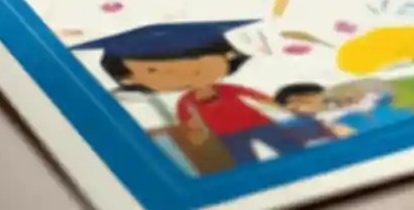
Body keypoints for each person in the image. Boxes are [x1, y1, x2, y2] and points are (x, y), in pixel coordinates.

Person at [74, 19, 303, 167]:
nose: (178, 74)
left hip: (256, 122)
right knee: (245, 161)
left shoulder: (225, 88)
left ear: (228, 57)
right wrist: (195, 133)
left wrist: (278, 104)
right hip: (227, 134)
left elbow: (254, 94)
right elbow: (188, 119)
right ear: (129, 78)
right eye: (153, 70)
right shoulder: (186, 101)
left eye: (198, 63)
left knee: (289, 147)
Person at [276, 79, 413, 137]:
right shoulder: (327, 122)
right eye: (293, 108)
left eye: (300, 101)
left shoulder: (364, 95)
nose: (298, 108)